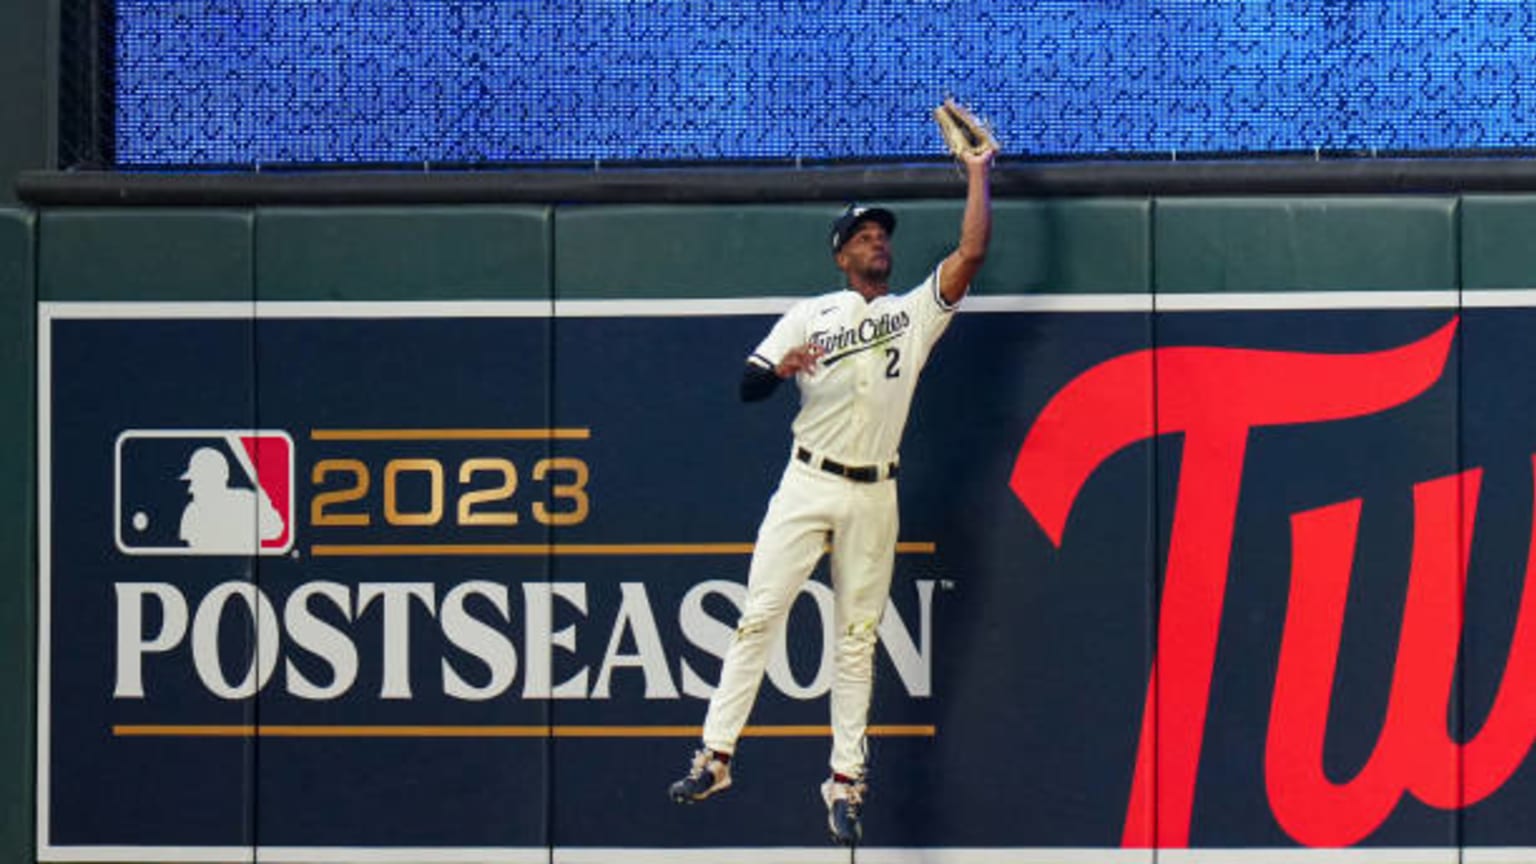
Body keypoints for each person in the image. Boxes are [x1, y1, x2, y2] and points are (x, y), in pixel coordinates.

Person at [668, 142, 996, 846]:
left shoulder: (913, 315)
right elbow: (747, 384)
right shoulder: (810, 315)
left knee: (855, 641)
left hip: (876, 491)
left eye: (883, 235)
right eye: (863, 236)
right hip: (808, 479)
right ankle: (715, 756)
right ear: (841, 255)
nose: (877, 241)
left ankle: (845, 782)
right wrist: (782, 368)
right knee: (759, 617)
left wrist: (977, 173)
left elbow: (970, 254)